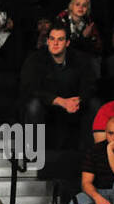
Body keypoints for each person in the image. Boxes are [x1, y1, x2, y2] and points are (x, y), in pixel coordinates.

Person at [21, 23, 99, 153]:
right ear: (47, 41)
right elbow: (30, 88)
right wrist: (60, 101)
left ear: (67, 43)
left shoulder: (80, 59)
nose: (55, 43)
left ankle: (91, 155)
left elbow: (90, 85)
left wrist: (78, 100)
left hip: (74, 105)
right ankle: (33, 155)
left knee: (95, 104)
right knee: (33, 106)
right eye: (52, 39)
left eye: (60, 39)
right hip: (47, 105)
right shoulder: (35, 59)